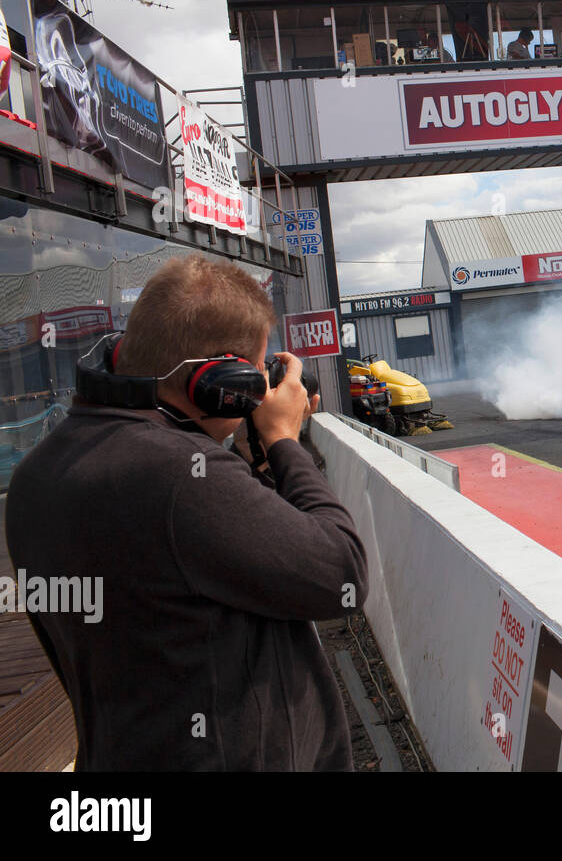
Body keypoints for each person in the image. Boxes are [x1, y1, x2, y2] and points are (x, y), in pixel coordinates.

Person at [5, 255, 368, 770]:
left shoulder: (36, 474)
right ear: (220, 383)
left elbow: (207, 563)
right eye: (252, 379)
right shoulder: (180, 477)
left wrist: (246, 457)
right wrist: (284, 440)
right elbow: (342, 574)